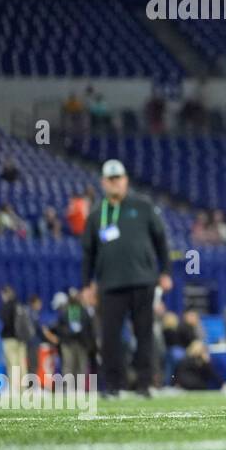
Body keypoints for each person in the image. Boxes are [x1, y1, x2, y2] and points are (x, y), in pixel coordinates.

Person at [81, 160, 172, 397]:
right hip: (109, 284)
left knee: (145, 335)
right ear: (103, 182)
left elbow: (161, 241)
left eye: (118, 178)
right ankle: (113, 385)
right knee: (110, 337)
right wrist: (86, 285)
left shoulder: (142, 207)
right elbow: (88, 253)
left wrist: (166, 272)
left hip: (143, 281)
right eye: (110, 179)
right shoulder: (95, 215)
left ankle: (145, 384)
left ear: (125, 180)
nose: (114, 183)